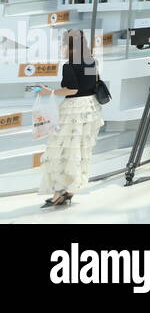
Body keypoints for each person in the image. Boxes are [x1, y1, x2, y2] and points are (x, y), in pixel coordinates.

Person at [37, 29, 104, 207]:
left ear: (68, 45)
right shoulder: (91, 61)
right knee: (80, 150)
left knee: (60, 150)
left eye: (63, 43)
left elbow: (72, 90)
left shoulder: (69, 65)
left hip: (74, 110)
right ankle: (68, 190)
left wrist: (49, 92)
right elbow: (92, 84)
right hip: (91, 109)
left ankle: (60, 192)